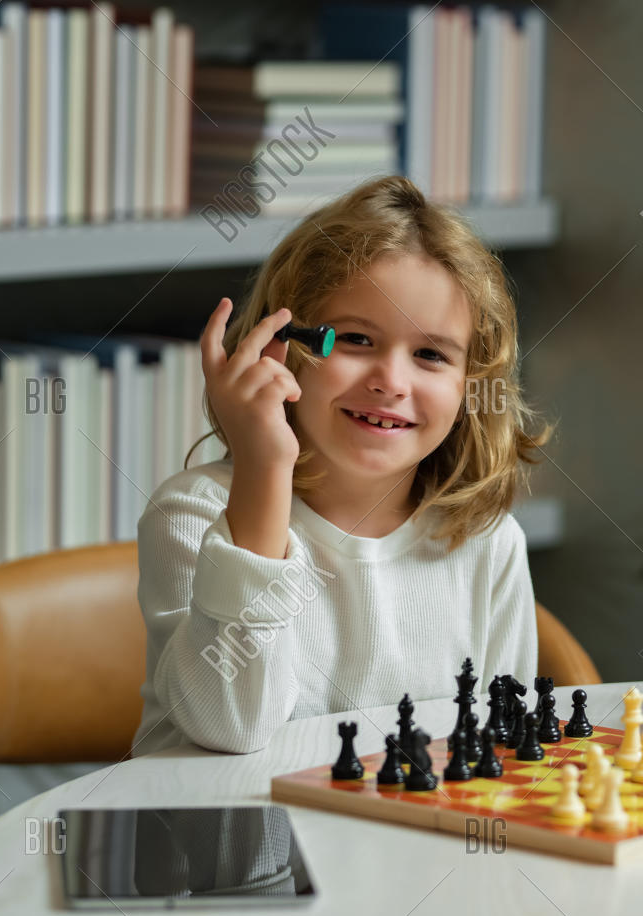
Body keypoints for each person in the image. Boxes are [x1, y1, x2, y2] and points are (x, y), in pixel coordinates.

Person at [132, 176, 552, 755]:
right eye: (355, 339)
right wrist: (263, 467)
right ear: (279, 346)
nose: (391, 382)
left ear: (470, 387)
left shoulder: (489, 542)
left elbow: (502, 752)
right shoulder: (193, 513)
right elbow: (232, 725)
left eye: (431, 354)